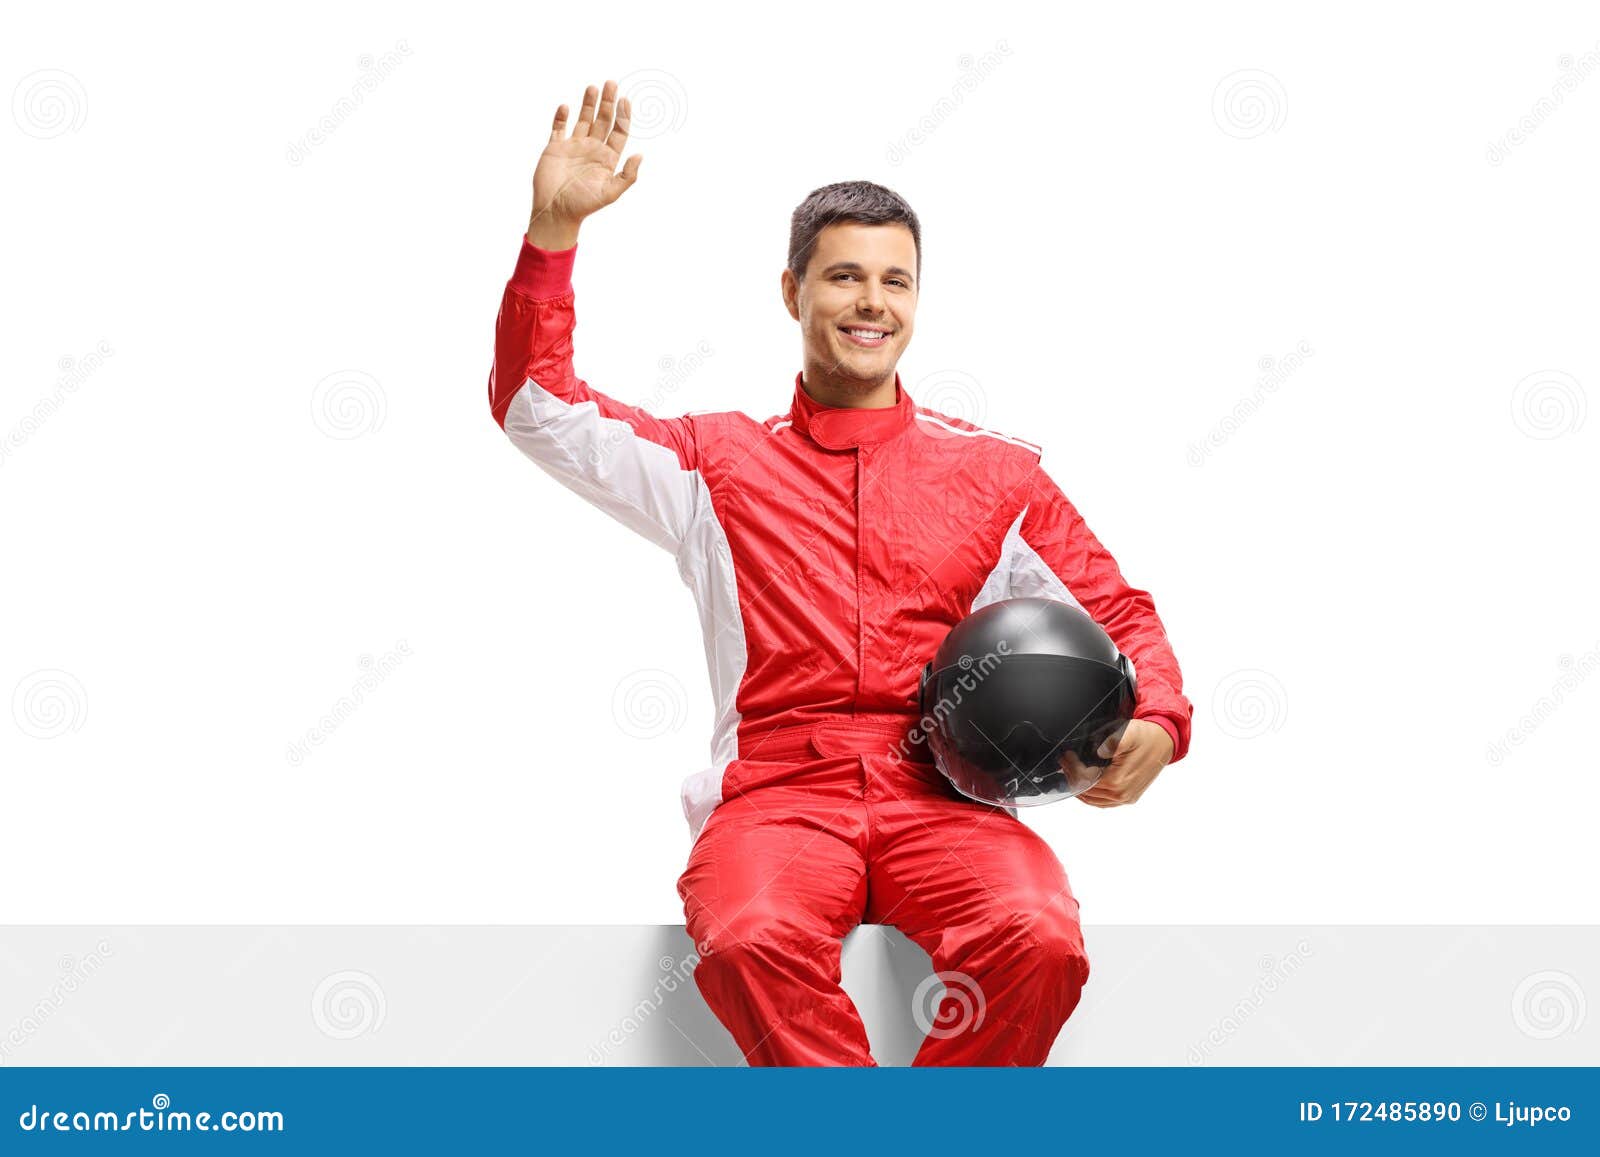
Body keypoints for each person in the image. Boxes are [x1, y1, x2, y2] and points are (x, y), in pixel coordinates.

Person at [488, 80, 1194, 1066]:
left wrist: (1159, 713)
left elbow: (1113, 606)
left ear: (916, 299)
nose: (871, 303)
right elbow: (539, 408)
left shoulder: (995, 474)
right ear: (793, 292)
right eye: (843, 277)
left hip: (948, 793)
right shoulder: (713, 464)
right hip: (780, 794)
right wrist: (551, 235)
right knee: (746, 938)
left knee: (1035, 936)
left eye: (894, 282)